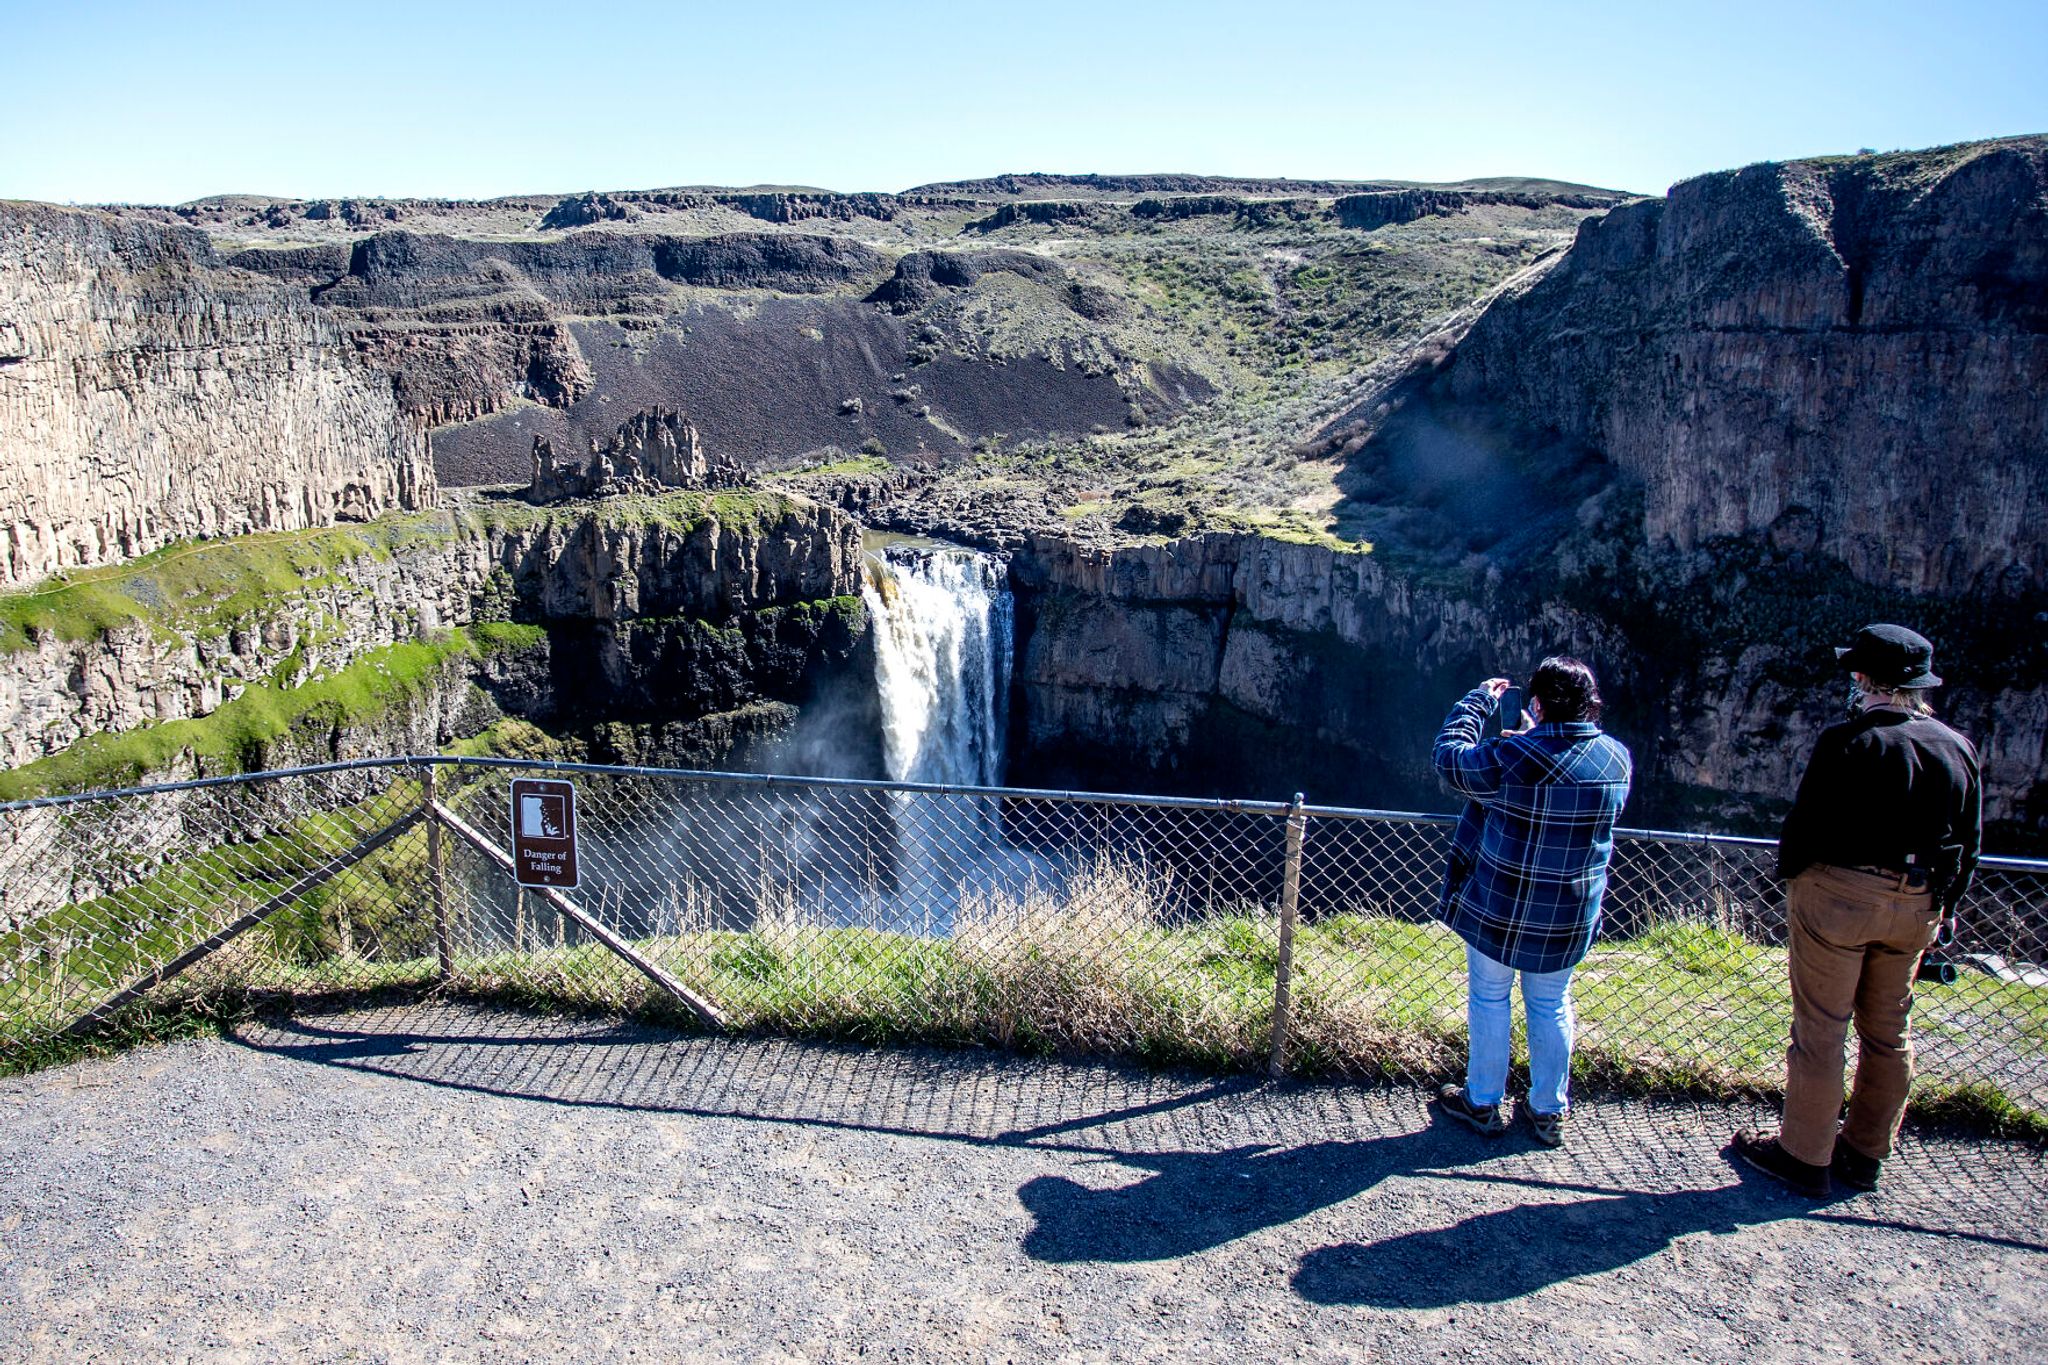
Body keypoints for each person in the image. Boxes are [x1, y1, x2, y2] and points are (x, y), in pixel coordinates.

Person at [1734, 624, 1982, 1198]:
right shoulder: (1957, 746)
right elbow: (1969, 840)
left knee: (1822, 1029)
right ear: (1917, 685)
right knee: (1890, 1031)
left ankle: (1804, 1155)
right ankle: (1866, 1152)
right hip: (1919, 900)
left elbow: (1807, 822)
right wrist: (1946, 904)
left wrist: (1792, 877)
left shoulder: (1849, 741)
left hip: (1838, 899)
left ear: (1863, 678)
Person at [1430, 657, 1633, 1147]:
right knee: (1552, 1004)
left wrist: (1479, 701)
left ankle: (1482, 1101)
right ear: (1590, 703)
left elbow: (1450, 758)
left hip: (1499, 907)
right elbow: (1563, 777)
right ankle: (1547, 1110)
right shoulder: (1616, 759)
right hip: (1566, 915)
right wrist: (1533, 737)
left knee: (1489, 998)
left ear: (1537, 703)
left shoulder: (1512, 756)